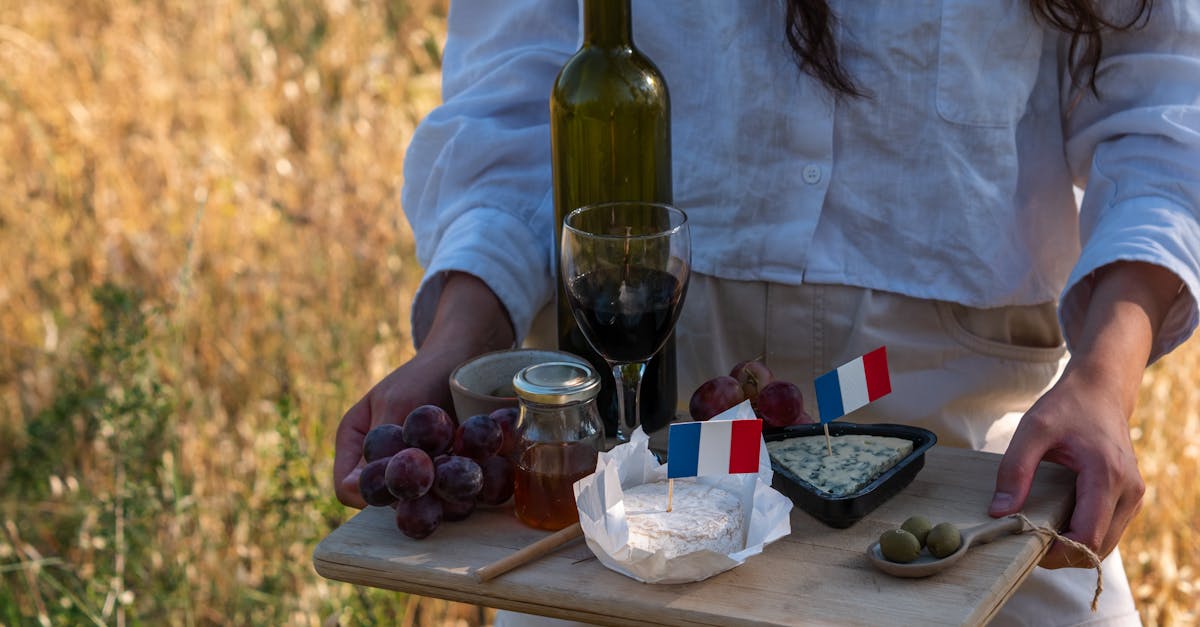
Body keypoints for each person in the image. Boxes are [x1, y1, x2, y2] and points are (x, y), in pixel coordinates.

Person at [334, 1, 1200, 624]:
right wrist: (459, 344)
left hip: (960, 432)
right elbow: (521, 101)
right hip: (653, 430)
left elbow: (1163, 109)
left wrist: (1102, 376)